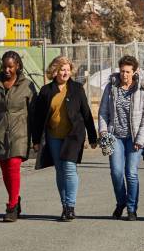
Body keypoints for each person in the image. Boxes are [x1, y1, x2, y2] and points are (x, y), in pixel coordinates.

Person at [31, 55, 97, 221]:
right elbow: (38, 118)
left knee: (69, 168)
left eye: (68, 69)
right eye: (62, 69)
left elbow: (86, 113)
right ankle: (64, 205)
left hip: (73, 135)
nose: (65, 73)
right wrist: (36, 140)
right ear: (55, 71)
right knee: (60, 171)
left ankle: (71, 206)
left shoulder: (76, 89)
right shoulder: (46, 91)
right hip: (53, 136)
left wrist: (93, 136)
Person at [98, 55, 144, 221]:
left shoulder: (142, 88)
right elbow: (103, 112)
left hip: (134, 138)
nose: (124, 75)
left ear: (134, 72)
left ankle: (132, 208)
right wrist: (103, 132)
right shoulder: (111, 88)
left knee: (131, 173)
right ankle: (121, 202)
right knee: (116, 172)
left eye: (127, 72)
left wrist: (140, 140)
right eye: (122, 71)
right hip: (115, 136)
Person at [0, 50, 37, 222]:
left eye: (10, 67)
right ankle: (16, 198)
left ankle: (11, 206)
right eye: (4, 66)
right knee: (5, 169)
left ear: (17, 66)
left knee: (13, 164)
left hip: (20, 132)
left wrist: (35, 138)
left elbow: (34, 111)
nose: (7, 70)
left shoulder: (27, 85)